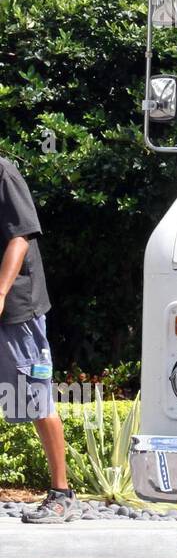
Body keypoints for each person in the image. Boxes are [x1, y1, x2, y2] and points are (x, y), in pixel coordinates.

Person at [0, 154, 76, 522]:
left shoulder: (4, 172)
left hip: (17, 308)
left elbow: (20, 237)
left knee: (34, 399)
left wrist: (0, 293)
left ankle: (62, 494)